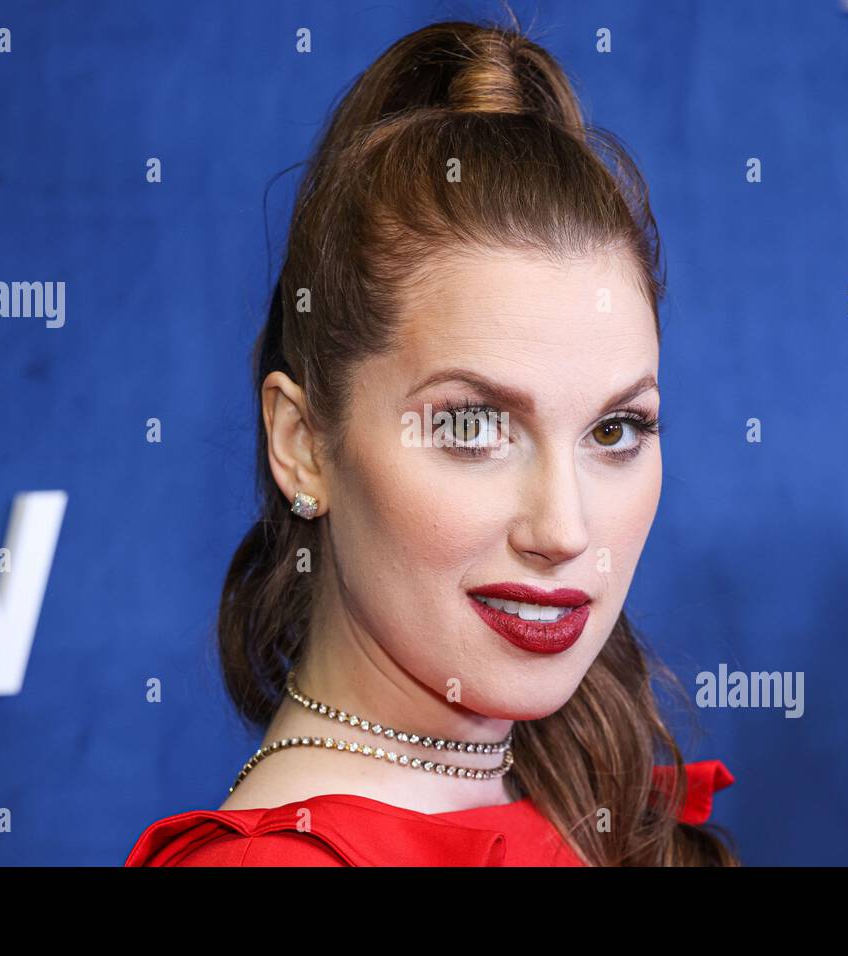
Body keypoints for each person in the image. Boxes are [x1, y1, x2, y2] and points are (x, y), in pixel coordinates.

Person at [126, 15, 739, 867]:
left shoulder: (578, 789)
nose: (564, 530)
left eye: (614, 428)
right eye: (472, 425)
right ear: (302, 443)